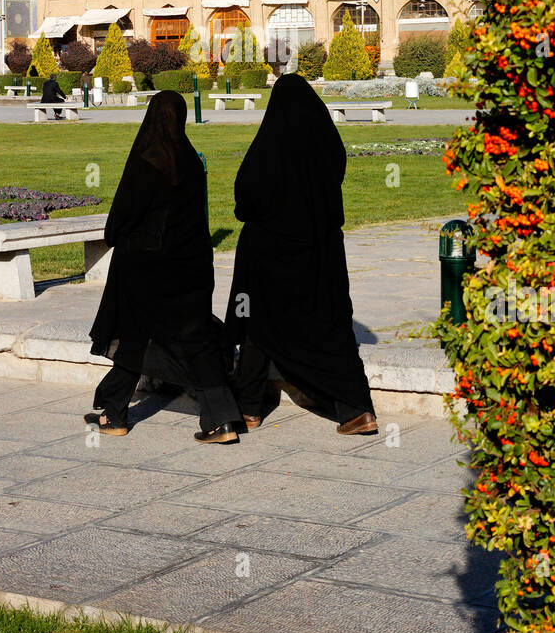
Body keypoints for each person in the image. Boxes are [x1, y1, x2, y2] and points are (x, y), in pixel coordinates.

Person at [224, 73, 378, 436]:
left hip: (268, 255)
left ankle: (248, 409)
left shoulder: (268, 148)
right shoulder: (328, 145)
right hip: (321, 252)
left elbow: (244, 200)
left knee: (256, 327)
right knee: (331, 327)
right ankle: (356, 410)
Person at [87, 90, 242, 444]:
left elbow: (125, 213)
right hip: (190, 265)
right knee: (180, 336)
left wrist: (114, 236)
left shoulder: (147, 160)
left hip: (147, 265)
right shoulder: (191, 160)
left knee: (145, 335)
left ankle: (118, 413)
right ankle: (220, 420)